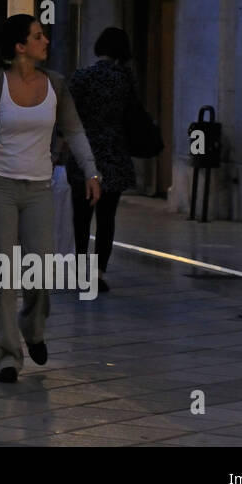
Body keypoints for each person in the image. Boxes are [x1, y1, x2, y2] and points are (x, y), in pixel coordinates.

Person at [0, 14, 100, 383]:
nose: (46, 40)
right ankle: (7, 356)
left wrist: (92, 171)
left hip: (39, 188)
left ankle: (33, 327)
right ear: (20, 46)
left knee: (40, 269)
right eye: (38, 36)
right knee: (3, 272)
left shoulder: (56, 84)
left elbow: (75, 130)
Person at [65, 27, 137, 293]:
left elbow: (68, 116)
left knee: (81, 218)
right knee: (107, 218)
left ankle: (79, 271)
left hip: (85, 155)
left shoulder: (82, 76)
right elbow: (132, 115)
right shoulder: (125, 79)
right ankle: (99, 273)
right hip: (114, 153)